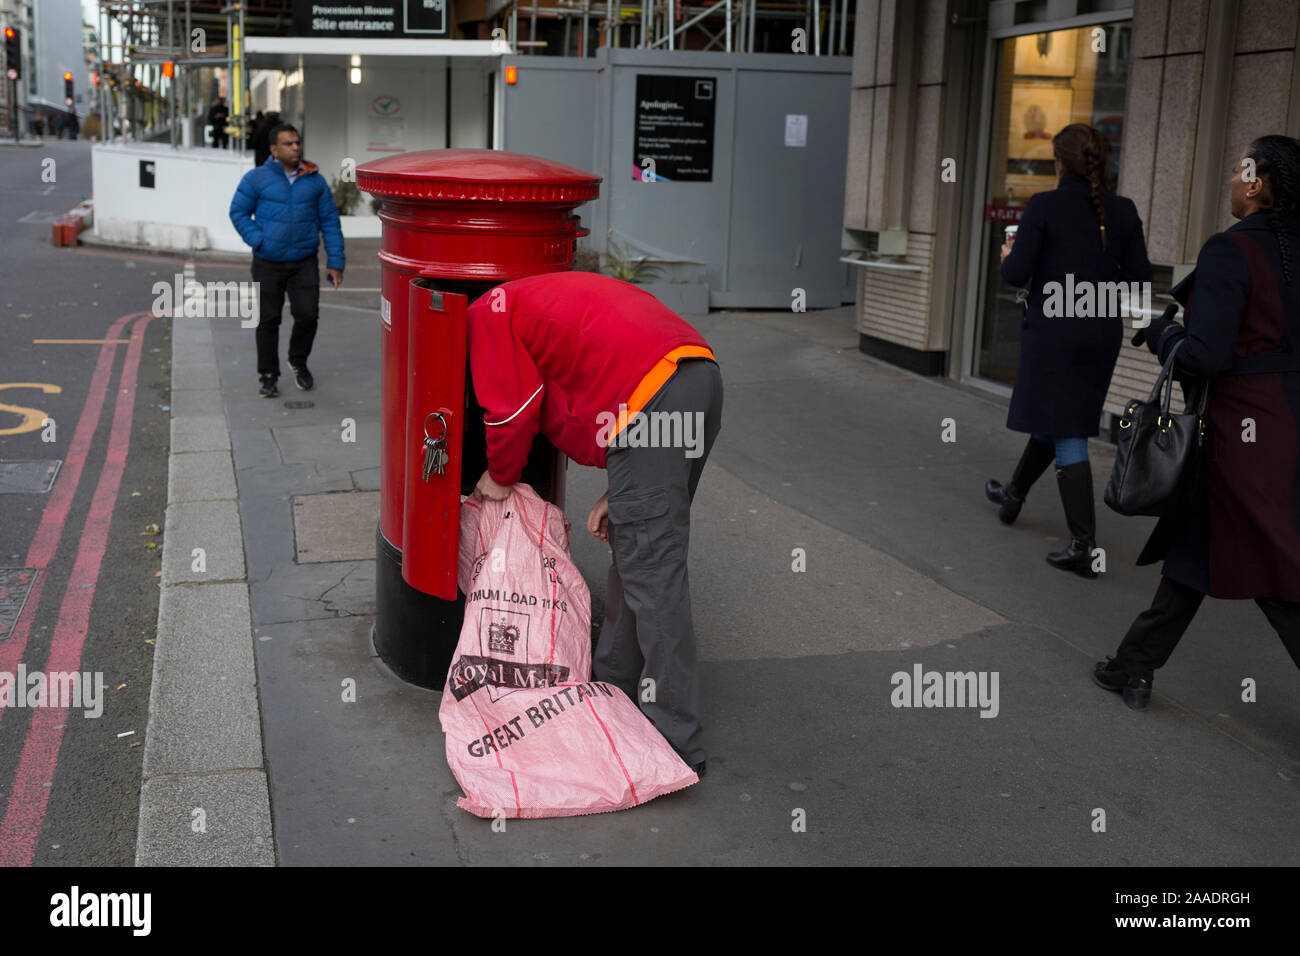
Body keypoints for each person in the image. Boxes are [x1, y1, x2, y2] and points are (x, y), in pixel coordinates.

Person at [467, 271, 722, 777]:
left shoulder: (486, 315)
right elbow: (615, 360)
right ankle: (614, 686)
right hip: (696, 377)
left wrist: (499, 477)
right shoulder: (542, 296)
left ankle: (673, 741)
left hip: (651, 401)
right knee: (638, 554)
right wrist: (619, 488)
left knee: (654, 574)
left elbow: (512, 409)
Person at [1094, 134, 1300, 709]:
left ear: (1257, 181)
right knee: (1199, 543)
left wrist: (1162, 333)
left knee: (1281, 579)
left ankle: (1133, 667)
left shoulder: (1231, 250)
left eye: (1240, 170)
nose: (1232, 181)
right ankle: (1133, 666)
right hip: (1286, 427)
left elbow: (1205, 355)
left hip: (1242, 432)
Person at [986, 123, 1153, 577]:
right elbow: (1138, 279)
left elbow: (1017, 274)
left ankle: (1084, 545)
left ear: (1060, 164)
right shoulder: (1123, 211)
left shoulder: (1043, 206)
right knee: (1061, 417)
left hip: (1054, 334)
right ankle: (1014, 493)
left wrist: (1008, 257)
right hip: (1100, 333)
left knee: (1068, 429)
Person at [228, 123, 345, 397]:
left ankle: (298, 360)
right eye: (288, 144)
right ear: (274, 150)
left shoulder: (314, 180)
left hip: (304, 261)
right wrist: (259, 240)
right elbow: (238, 212)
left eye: (297, 143)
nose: (295, 148)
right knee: (268, 320)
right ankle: (268, 374)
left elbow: (330, 221)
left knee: (308, 316)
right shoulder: (256, 178)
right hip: (267, 262)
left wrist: (335, 262)